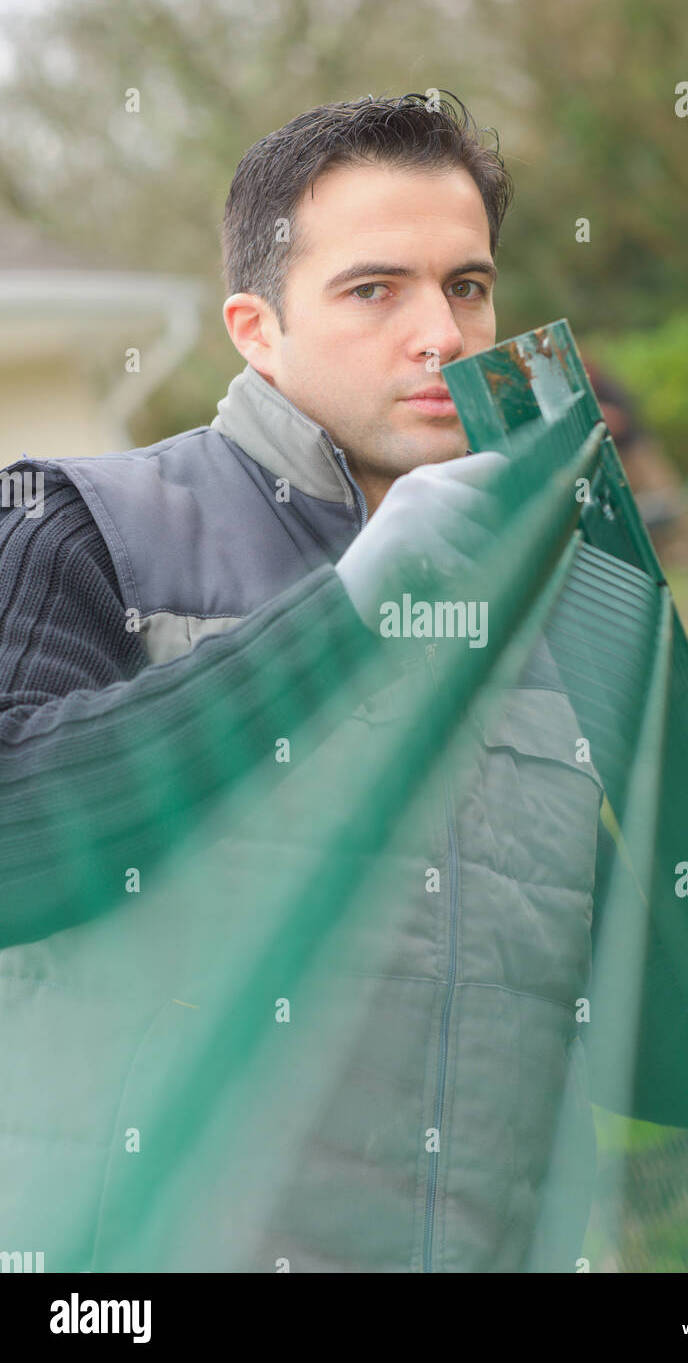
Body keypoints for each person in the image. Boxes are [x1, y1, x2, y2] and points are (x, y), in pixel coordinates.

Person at [0, 92, 602, 1273]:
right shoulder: (81, 529)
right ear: (255, 328)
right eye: (374, 289)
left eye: (468, 285)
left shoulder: (551, 592)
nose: (443, 333)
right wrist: (349, 615)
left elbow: (568, 983)